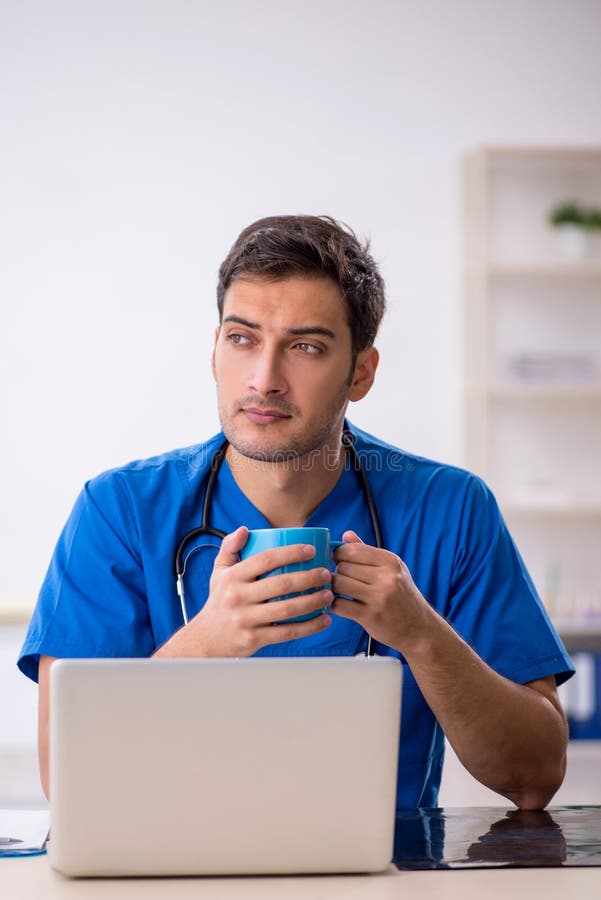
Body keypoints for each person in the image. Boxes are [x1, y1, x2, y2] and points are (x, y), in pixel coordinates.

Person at [19, 215, 573, 807]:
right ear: (214, 351)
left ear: (361, 373)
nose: (264, 380)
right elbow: (67, 779)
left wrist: (421, 635)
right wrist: (205, 644)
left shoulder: (451, 509)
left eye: (305, 347)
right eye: (242, 339)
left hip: (389, 864)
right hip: (172, 863)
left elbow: (534, 776)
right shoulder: (120, 510)